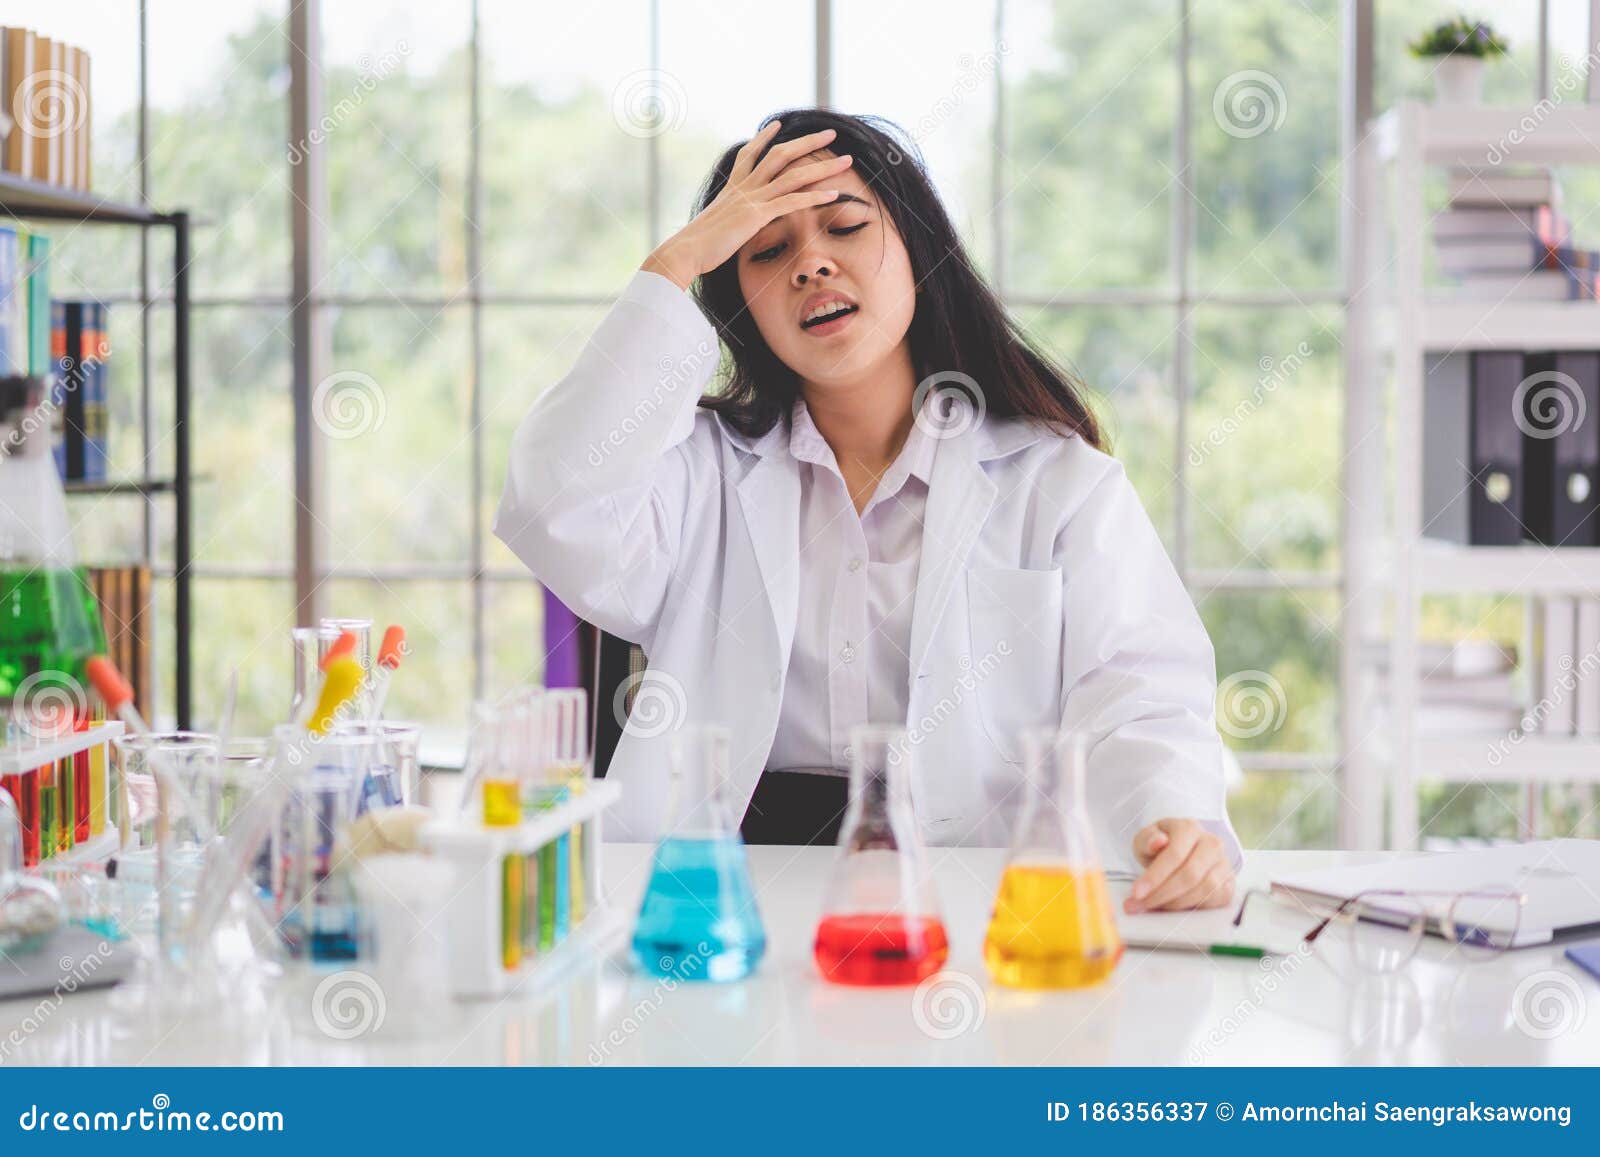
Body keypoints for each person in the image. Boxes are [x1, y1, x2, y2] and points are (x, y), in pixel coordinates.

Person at [496, 109, 1241, 912]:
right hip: (723, 897)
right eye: (767, 250)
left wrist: (1173, 816)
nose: (811, 264)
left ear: (918, 250)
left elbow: (1136, 689)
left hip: (965, 893)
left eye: (846, 227)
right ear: (736, 297)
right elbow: (554, 505)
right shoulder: (699, 474)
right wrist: (674, 263)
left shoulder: (1054, 480)